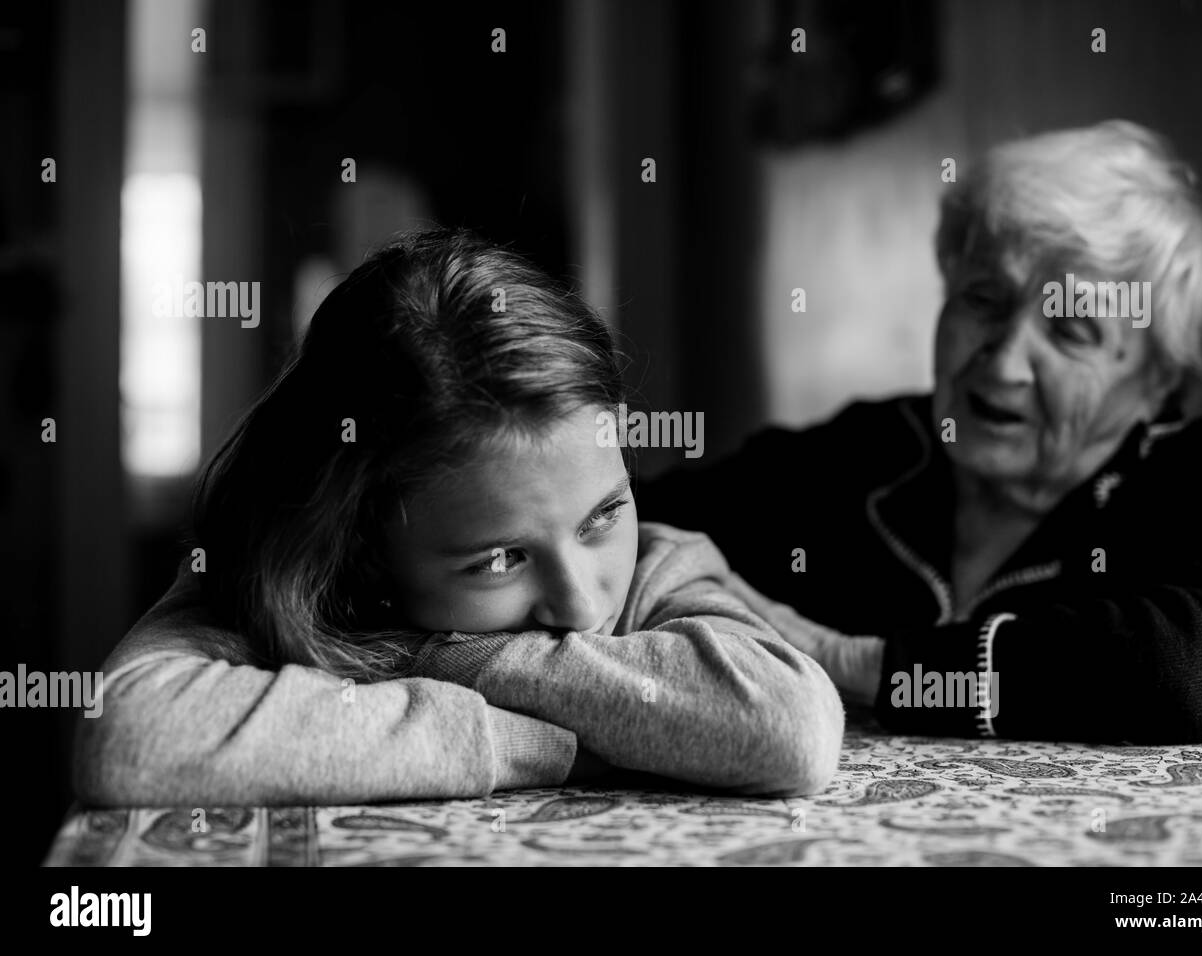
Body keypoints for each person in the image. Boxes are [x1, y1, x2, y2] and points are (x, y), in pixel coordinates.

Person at [74, 228, 843, 807]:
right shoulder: (272, 585)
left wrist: (457, 657)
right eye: (499, 560)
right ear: (365, 547)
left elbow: (790, 729)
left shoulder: (656, 573)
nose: (582, 605)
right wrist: (528, 741)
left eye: (604, 514)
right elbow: (133, 738)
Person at [637, 119, 1202, 745]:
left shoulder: (1199, 486)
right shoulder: (871, 449)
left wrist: (847, 659)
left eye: (1070, 331)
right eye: (985, 301)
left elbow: (1196, 675)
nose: (1005, 363)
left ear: (1157, 379)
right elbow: (624, 518)